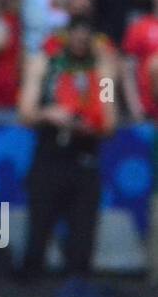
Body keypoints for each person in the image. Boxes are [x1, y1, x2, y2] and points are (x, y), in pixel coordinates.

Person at [17, 15, 118, 275]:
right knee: (37, 238)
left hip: (85, 158)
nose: (81, 41)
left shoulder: (102, 73)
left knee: (82, 244)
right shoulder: (44, 65)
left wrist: (88, 124)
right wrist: (49, 114)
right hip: (50, 155)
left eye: (87, 37)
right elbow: (25, 113)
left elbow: (110, 121)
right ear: (66, 36)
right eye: (76, 34)